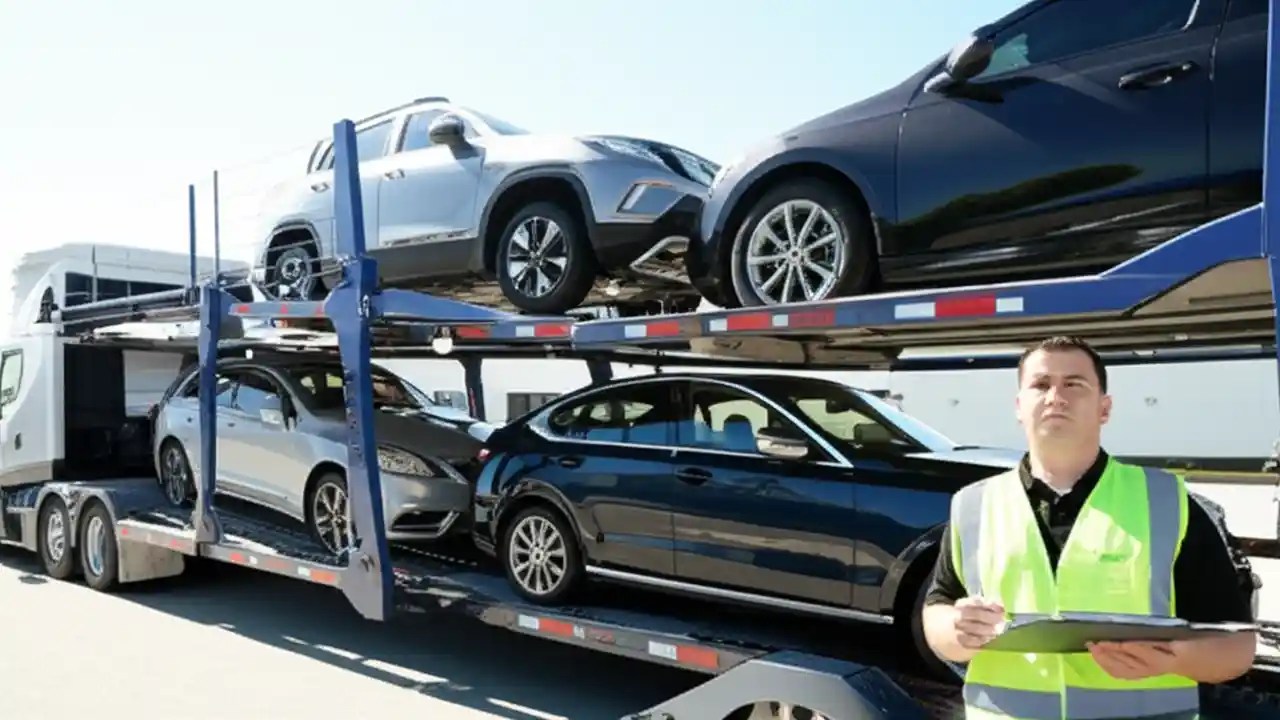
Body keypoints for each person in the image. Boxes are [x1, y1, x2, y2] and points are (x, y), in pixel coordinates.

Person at [921, 335, 1258, 719]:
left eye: (1074, 385)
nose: (1055, 397)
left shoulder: (1168, 501)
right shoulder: (973, 504)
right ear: (1019, 406)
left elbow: (1237, 647)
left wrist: (1171, 659)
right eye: (1041, 384)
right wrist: (957, 631)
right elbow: (938, 607)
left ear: (1105, 408)